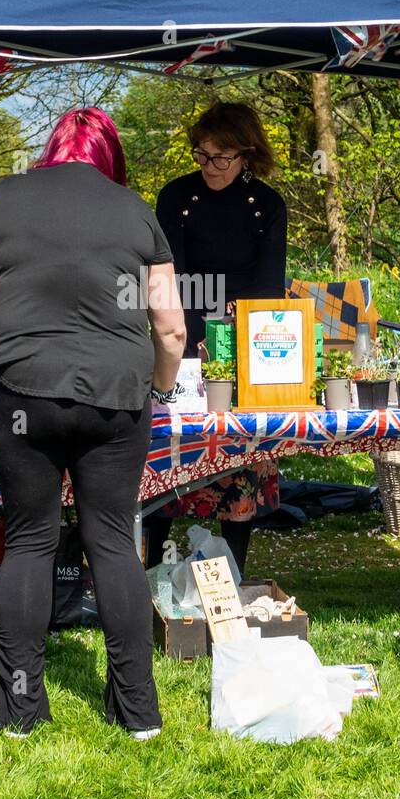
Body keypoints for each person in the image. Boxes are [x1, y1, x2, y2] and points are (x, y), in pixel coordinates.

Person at [0, 107, 186, 739]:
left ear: (51, 148)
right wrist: (160, 384)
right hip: (115, 394)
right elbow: (171, 326)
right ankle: (137, 710)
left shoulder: (2, 196)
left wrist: (17, 328)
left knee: (29, 540)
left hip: (23, 392)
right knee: (111, 539)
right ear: (108, 155)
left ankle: (20, 708)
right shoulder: (137, 211)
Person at [147, 102, 289, 578]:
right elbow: (170, 277)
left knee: (239, 456)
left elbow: (269, 286)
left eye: (221, 157)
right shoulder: (176, 197)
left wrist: (231, 333)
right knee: (167, 448)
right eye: (201, 155)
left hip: (244, 341)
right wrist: (187, 337)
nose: (209, 166)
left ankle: (232, 570)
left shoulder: (267, 205)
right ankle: (151, 562)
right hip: (181, 338)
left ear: (247, 154)